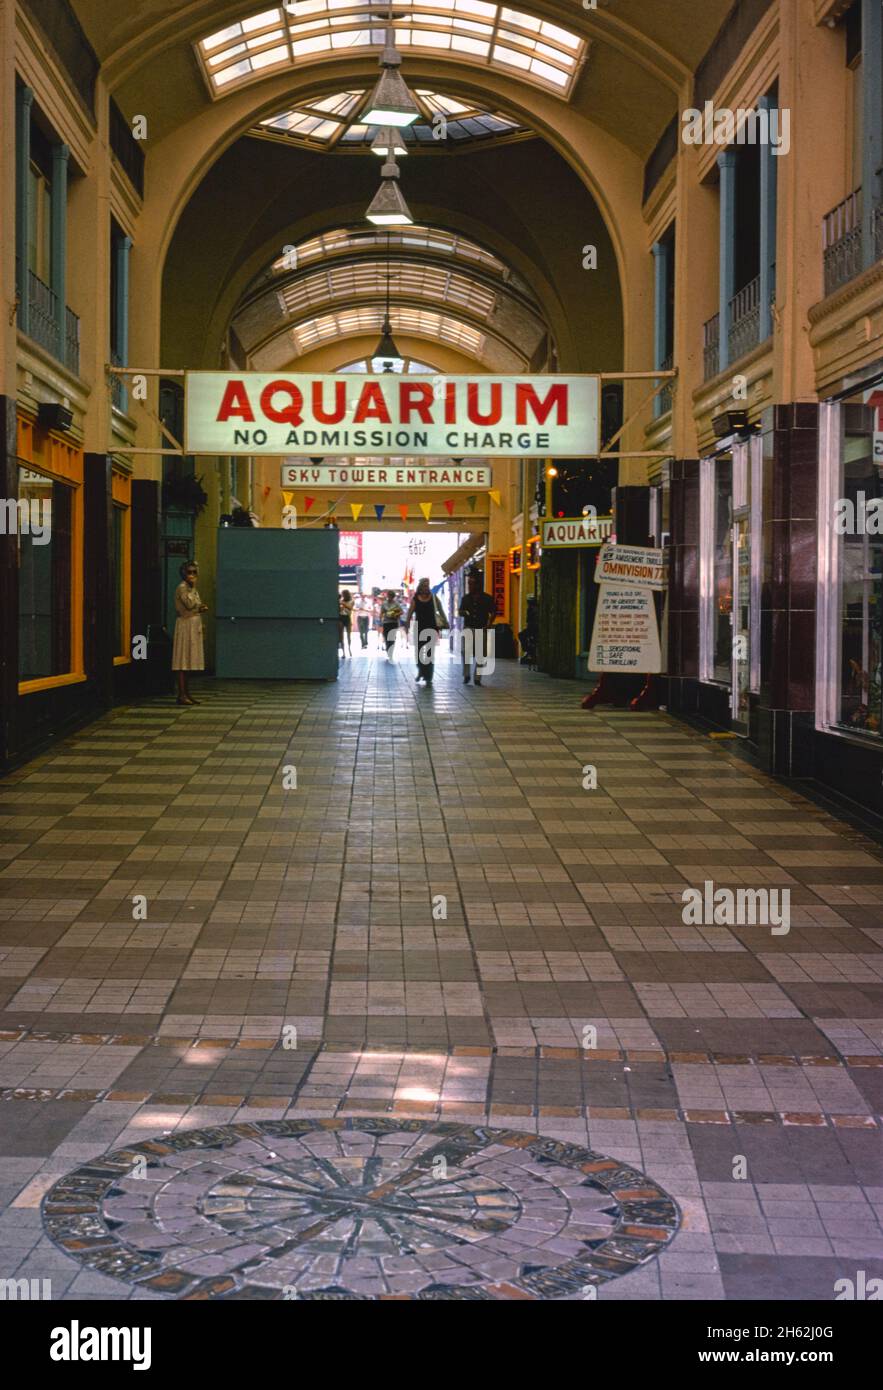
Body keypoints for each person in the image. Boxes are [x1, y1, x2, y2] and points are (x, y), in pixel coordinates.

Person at [172, 560, 208, 705]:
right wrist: (199, 608)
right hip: (185, 625)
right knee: (182, 660)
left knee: (189, 660)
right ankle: (181, 694)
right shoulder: (183, 588)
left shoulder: (192, 588)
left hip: (193, 625)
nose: (192, 575)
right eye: (189, 572)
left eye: (194, 572)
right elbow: (190, 604)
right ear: (184, 573)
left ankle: (186, 692)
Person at [407, 577, 448, 685]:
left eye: (427, 585)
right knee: (419, 652)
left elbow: (441, 610)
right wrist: (407, 626)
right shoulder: (416, 599)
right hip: (419, 628)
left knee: (430, 653)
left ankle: (428, 676)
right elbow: (410, 613)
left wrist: (445, 622)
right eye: (424, 585)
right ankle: (421, 670)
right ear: (420, 587)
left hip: (432, 627)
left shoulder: (434, 598)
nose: (426, 587)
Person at [458, 567, 496, 685]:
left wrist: (489, 624)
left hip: (481, 627)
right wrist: (464, 613)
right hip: (468, 628)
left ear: (478, 584)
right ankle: (466, 675)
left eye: (471, 583)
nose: (469, 585)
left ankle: (477, 678)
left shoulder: (487, 598)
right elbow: (460, 611)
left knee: (480, 654)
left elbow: (494, 612)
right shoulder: (465, 598)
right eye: (469, 583)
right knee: (465, 651)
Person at [380, 589, 403, 660]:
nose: (389, 597)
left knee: (392, 638)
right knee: (386, 637)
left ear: (393, 597)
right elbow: (382, 613)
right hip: (386, 622)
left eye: (391, 596)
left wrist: (396, 614)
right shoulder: (384, 603)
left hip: (394, 622)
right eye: (389, 596)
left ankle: (391, 653)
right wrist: (381, 620)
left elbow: (401, 612)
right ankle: (388, 650)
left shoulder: (396, 604)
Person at [519, 596, 539, 669]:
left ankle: (528, 650)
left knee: (522, 635)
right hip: (532, 628)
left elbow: (529, 621)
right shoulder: (534, 609)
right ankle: (529, 651)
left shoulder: (532, 609)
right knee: (524, 636)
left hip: (533, 629)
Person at [338, 589, 354, 657]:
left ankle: (349, 649)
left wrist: (342, 603)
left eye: (344, 594)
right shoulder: (341, 601)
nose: (343, 596)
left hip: (347, 618)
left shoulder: (351, 601)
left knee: (348, 635)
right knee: (341, 636)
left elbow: (350, 608)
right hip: (341, 617)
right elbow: (339, 609)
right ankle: (343, 652)